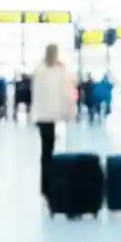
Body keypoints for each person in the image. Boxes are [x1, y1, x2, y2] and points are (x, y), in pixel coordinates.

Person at [31, 45, 75, 195]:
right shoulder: (60, 71)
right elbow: (67, 93)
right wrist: (69, 113)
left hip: (41, 116)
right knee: (51, 150)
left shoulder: (39, 70)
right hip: (55, 115)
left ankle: (44, 185)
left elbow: (36, 93)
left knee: (45, 151)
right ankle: (51, 183)